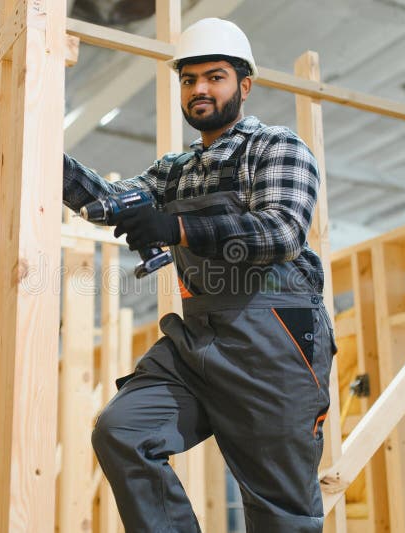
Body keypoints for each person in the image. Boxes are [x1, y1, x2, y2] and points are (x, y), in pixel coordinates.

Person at [62, 17, 337, 533]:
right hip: (201, 342)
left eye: (214, 77)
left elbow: (281, 232)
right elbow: (107, 201)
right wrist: (35, 144)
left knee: (281, 516)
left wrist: (175, 225)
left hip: (275, 346)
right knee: (122, 432)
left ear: (244, 85)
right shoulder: (174, 170)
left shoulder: (277, 148)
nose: (200, 90)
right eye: (189, 80)